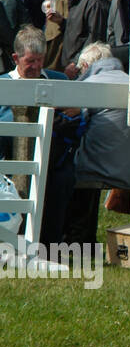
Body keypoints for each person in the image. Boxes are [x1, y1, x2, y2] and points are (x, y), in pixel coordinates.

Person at [0, 25, 76, 246]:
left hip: (53, 159)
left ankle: (50, 246)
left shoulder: (59, 80)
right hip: (8, 159)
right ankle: (13, 243)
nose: (36, 66)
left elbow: (78, 116)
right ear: (16, 58)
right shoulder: (4, 84)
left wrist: (75, 111)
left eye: (40, 60)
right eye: (30, 61)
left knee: (63, 178)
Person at [56, 0, 109, 79]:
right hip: (71, 68)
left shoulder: (94, 2)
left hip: (83, 70)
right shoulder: (78, 0)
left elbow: (95, 38)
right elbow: (78, 33)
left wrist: (76, 63)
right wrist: (62, 22)